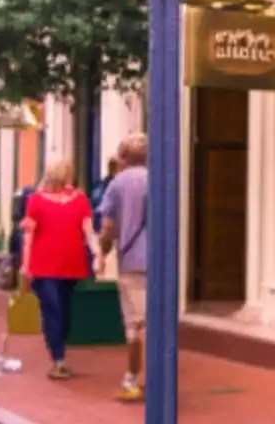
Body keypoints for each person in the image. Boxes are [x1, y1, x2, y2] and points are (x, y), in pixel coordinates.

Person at [21, 160, 99, 381]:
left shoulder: (80, 199)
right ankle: (58, 358)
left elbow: (88, 230)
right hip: (44, 265)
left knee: (64, 309)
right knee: (52, 307)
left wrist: (97, 253)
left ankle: (59, 347)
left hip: (70, 263)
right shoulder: (35, 200)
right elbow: (29, 235)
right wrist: (26, 266)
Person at [98, 134, 149, 402]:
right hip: (159, 261)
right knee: (153, 319)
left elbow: (108, 227)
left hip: (132, 261)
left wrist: (100, 255)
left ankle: (134, 378)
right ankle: (140, 376)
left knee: (135, 324)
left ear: (124, 156)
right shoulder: (158, 179)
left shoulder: (117, 185)